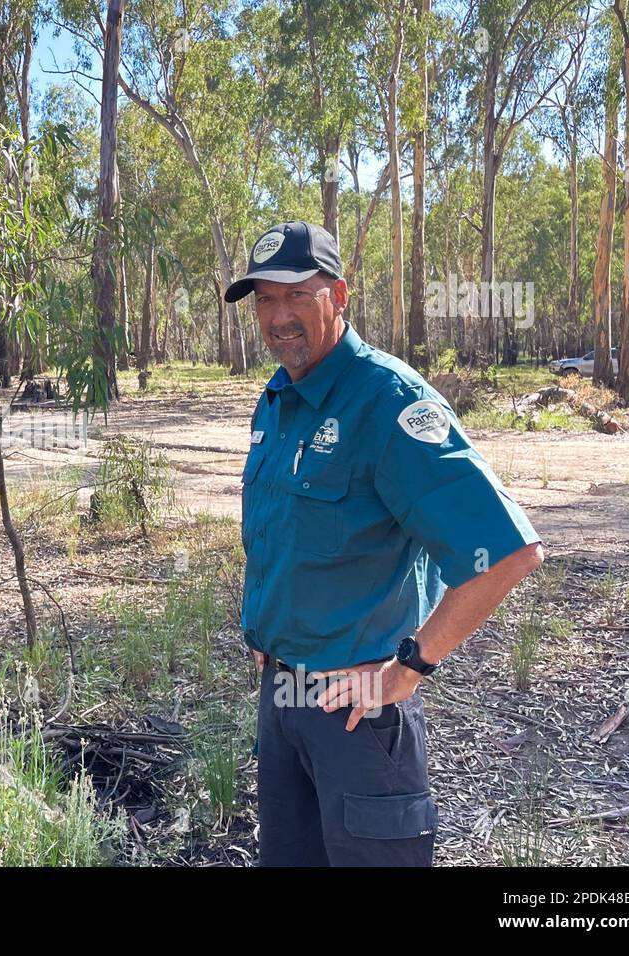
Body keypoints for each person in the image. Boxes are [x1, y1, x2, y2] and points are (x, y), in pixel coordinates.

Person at [226, 220, 544, 866]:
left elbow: (507, 552)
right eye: (264, 299)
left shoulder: (387, 402)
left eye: (296, 294)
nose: (277, 316)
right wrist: (270, 631)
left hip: (359, 724)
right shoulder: (278, 400)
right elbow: (281, 533)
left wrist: (407, 668)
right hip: (283, 710)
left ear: (339, 295)